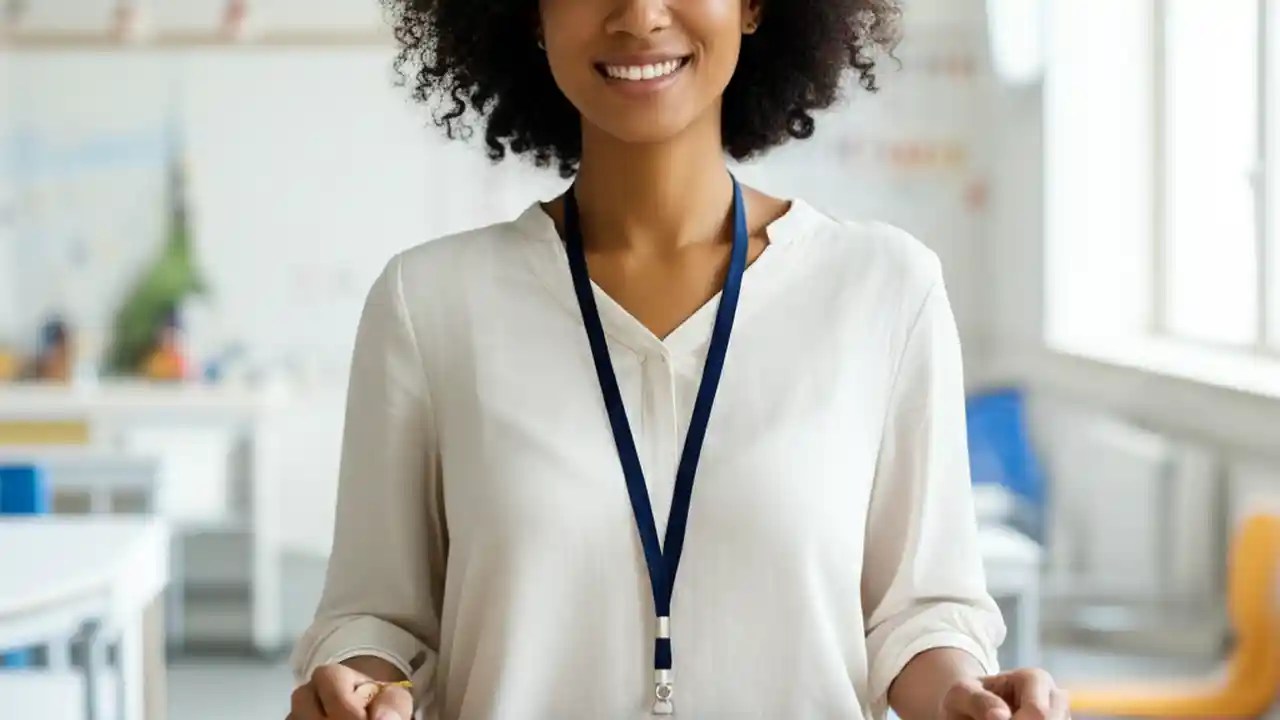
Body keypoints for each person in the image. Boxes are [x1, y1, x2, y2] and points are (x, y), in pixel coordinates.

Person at [288, 1, 1070, 719]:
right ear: (531, 10)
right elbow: (375, 616)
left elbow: (918, 612)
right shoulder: (429, 303)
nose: (640, 15)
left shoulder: (884, 290)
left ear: (755, 4)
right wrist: (356, 686)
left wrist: (965, 692)